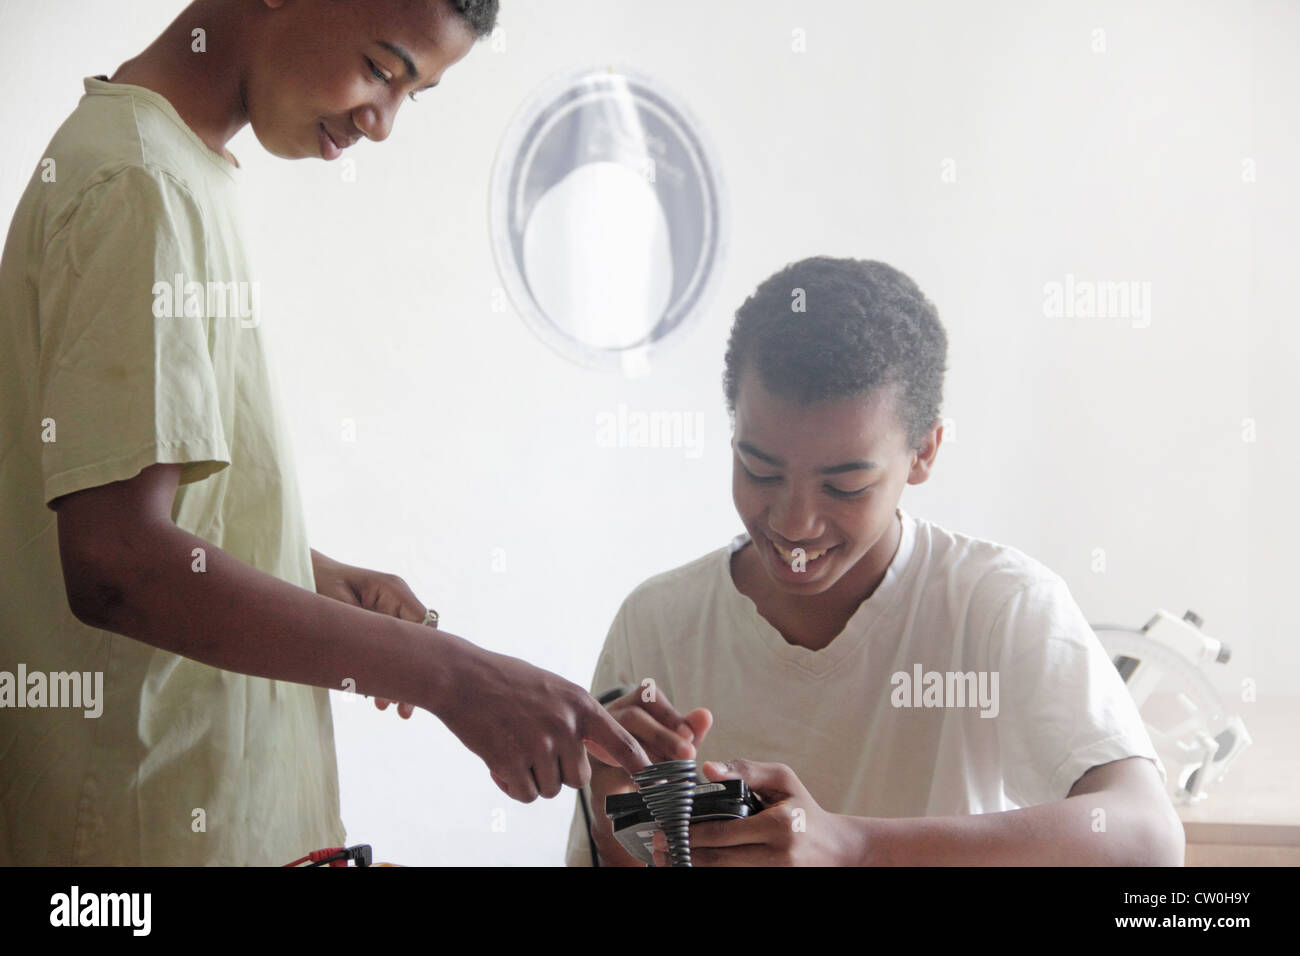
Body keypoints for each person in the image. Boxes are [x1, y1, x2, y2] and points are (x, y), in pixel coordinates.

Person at [0, 0, 648, 866]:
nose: (379, 124)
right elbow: (116, 564)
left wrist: (298, 567)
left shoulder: (174, 169)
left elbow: (121, 509)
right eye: (383, 68)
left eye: (410, 94)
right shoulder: (139, 184)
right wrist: (452, 677)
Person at [566, 256, 1184, 866]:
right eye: (760, 470)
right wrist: (613, 810)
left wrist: (853, 847)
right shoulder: (656, 622)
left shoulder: (997, 605)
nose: (793, 524)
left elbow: (1148, 837)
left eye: (845, 485)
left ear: (924, 452)